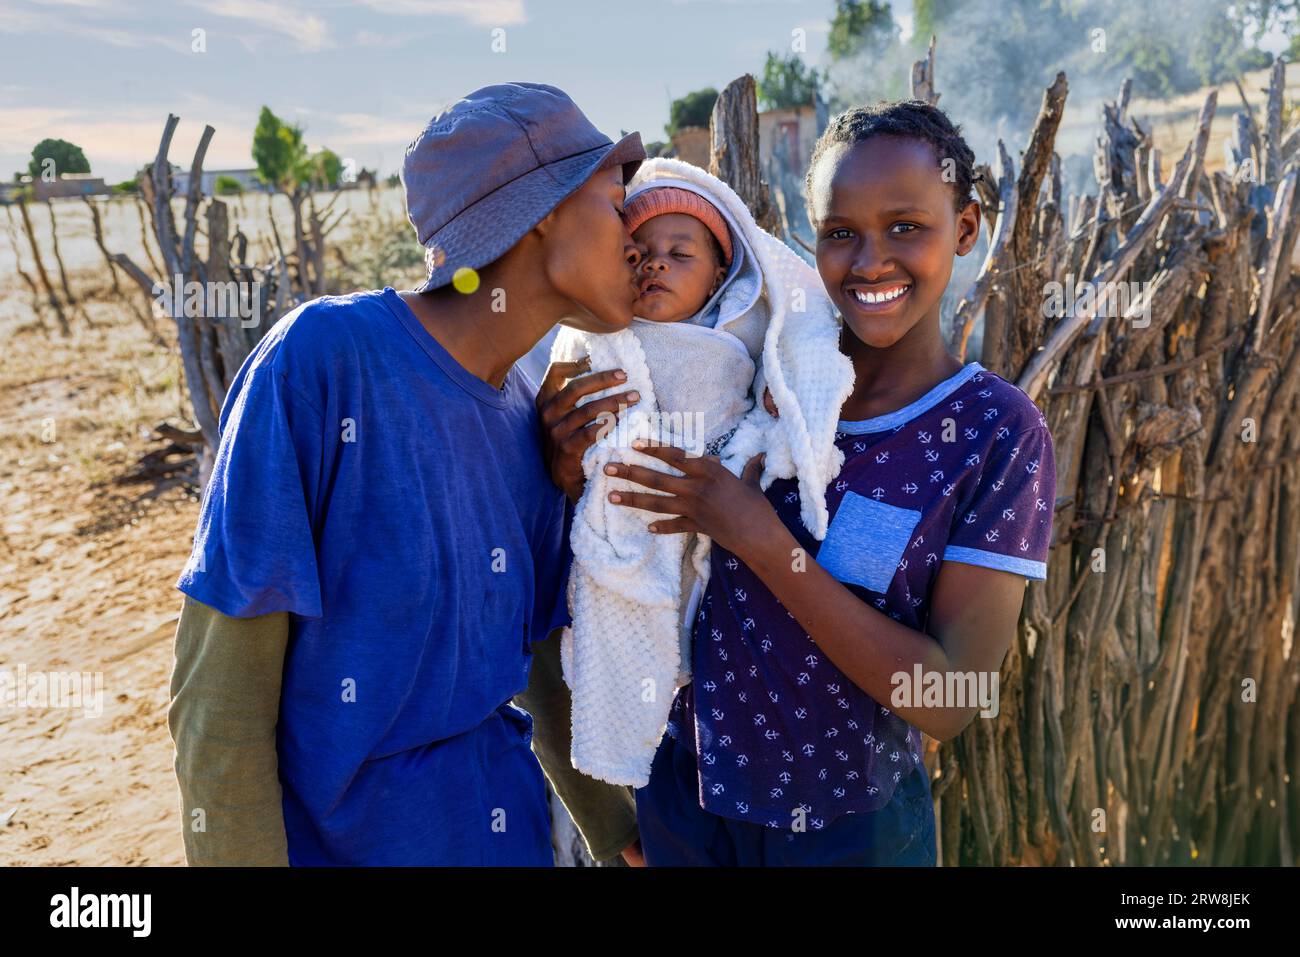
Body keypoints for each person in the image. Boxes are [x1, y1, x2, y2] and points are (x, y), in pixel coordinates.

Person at [166, 82, 645, 866]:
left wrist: (618, 832)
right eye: (616, 201)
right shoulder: (323, 362)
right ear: (543, 208)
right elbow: (220, 696)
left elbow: (537, 663)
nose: (637, 236)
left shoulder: (530, 412)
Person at [602, 99, 1058, 865]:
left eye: (906, 226)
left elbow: (947, 701)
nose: (871, 260)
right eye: (841, 233)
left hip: (852, 829)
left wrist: (762, 540)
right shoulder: (748, 370)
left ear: (968, 230)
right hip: (687, 801)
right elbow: (608, 517)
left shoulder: (993, 432)